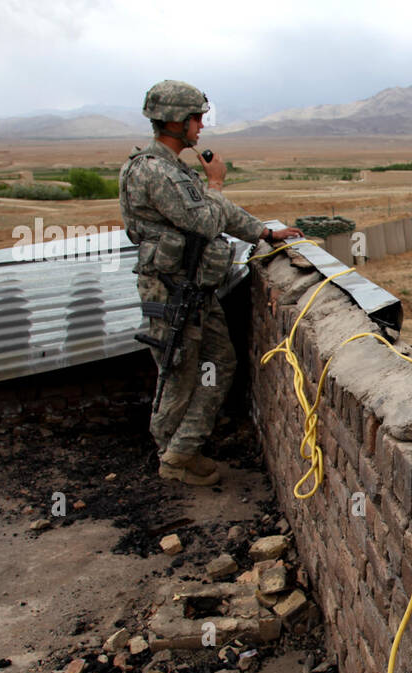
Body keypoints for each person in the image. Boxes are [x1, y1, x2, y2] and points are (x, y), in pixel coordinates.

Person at [119, 80, 302, 486]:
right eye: (196, 118)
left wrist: (264, 233)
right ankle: (173, 456)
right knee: (180, 373)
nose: (201, 126)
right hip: (170, 290)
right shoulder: (154, 171)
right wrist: (216, 182)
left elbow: (211, 213)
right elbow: (205, 219)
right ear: (175, 122)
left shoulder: (173, 168)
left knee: (219, 363)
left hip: (193, 289)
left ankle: (182, 450)